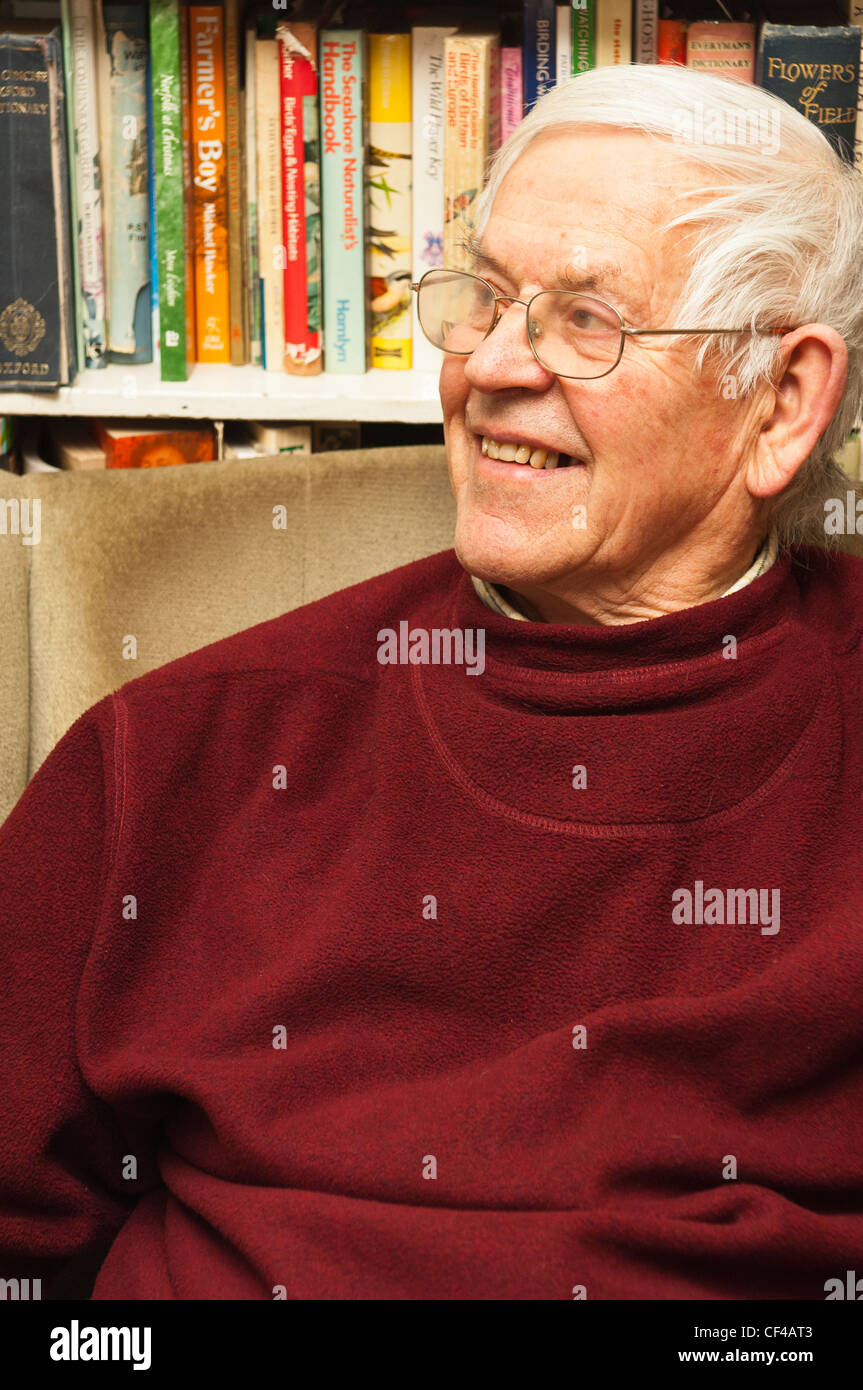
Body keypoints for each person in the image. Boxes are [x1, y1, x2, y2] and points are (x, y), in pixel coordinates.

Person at [2, 63, 863, 1301]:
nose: (490, 369)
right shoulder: (183, 747)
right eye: (487, 300)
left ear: (780, 402)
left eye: (585, 319)